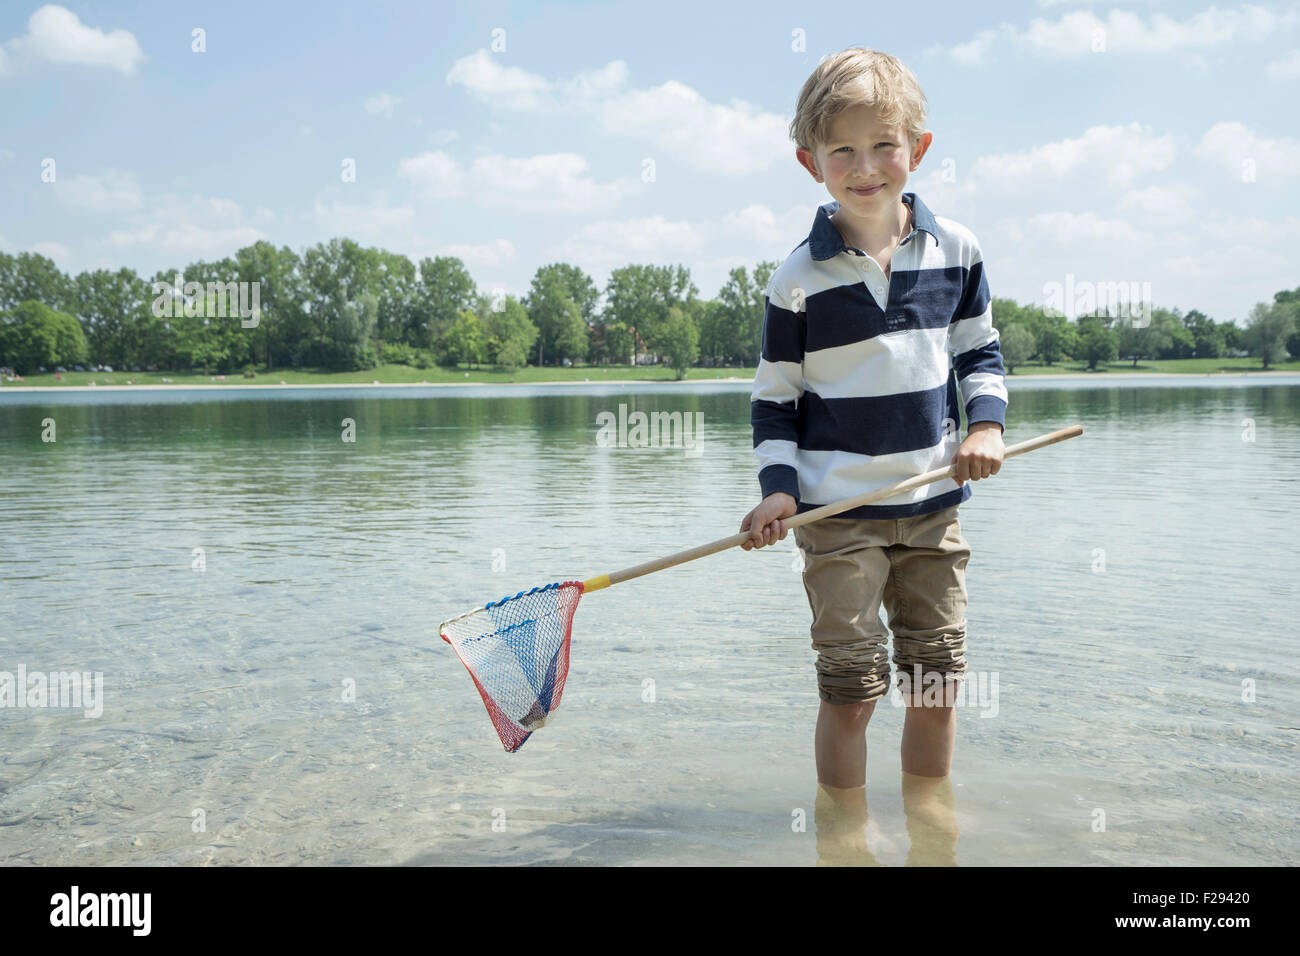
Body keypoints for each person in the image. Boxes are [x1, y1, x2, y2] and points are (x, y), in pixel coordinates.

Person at [741, 49, 1006, 795]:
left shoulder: (958, 251)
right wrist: (780, 490)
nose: (866, 167)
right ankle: (847, 830)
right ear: (810, 162)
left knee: (934, 685)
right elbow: (775, 399)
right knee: (851, 691)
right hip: (838, 515)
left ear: (917, 149)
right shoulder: (798, 279)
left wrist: (983, 427)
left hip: (932, 508)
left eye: (884, 145)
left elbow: (979, 351)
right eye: (843, 151)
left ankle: (931, 828)